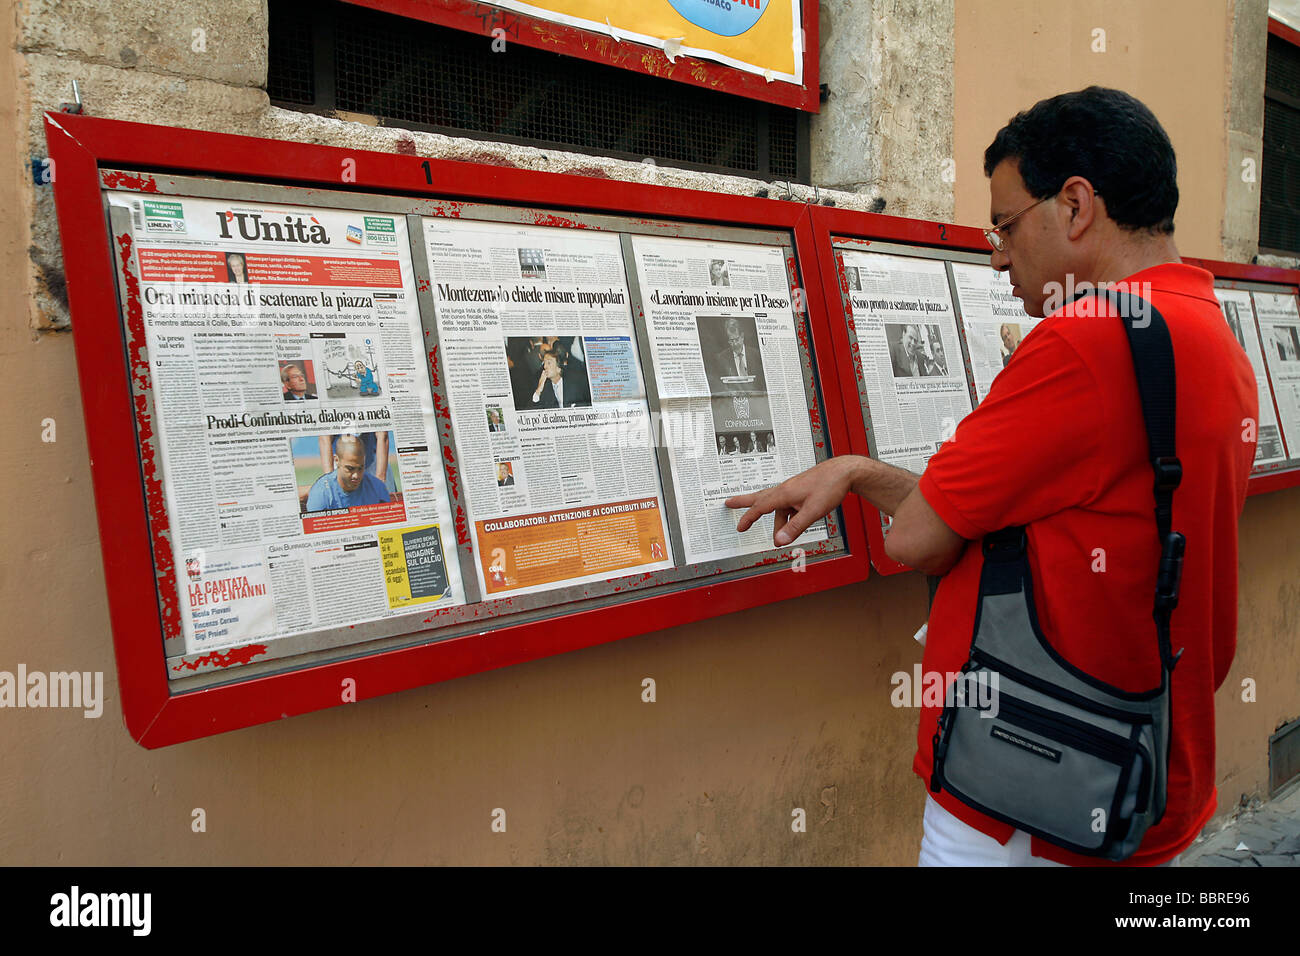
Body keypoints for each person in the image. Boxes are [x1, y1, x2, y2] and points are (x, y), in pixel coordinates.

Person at [725, 87, 1257, 868]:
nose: (998, 253)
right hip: (1142, 773)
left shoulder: (1081, 341)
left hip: (1028, 795)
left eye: (1006, 224)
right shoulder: (1207, 328)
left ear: (1075, 206)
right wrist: (857, 471)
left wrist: (874, 481)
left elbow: (918, 541)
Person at [306, 434, 392, 511]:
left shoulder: (378, 487)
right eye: (350, 468)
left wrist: (379, 483)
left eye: (360, 468)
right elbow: (324, 437)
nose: (356, 475)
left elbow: (383, 435)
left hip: (372, 461)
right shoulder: (321, 493)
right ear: (336, 460)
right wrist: (330, 487)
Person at [712, 318, 765, 392]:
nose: (735, 344)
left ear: (742, 336)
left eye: (737, 339)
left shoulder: (756, 355)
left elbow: (762, 384)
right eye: (731, 340)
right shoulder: (721, 358)